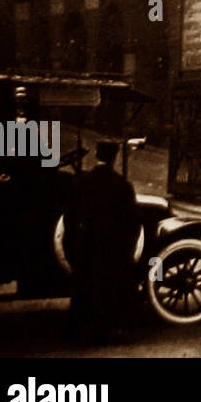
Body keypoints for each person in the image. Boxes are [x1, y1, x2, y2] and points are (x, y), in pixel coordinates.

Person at [65, 140, 140, 342]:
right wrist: (127, 249)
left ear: (97, 155)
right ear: (114, 158)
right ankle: (110, 329)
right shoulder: (122, 185)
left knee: (84, 285)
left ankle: (81, 330)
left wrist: (73, 243)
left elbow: (69, 218)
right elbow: (132, 222)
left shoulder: (80, 183)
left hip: (85, 244)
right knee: (112, 286)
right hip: (113, 247)